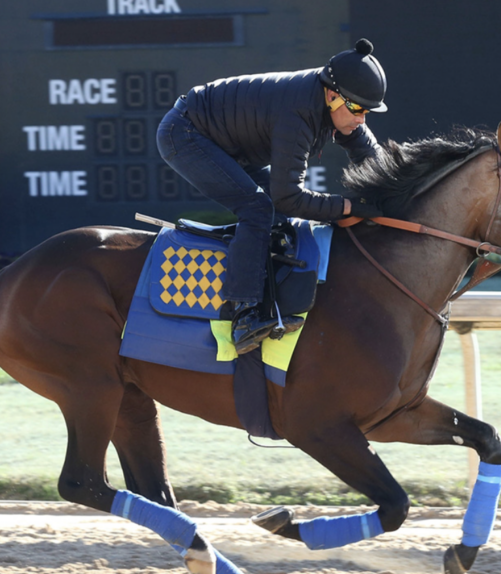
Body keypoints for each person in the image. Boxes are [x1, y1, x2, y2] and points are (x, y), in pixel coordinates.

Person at [156, 38, 388, 355]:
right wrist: (345, 207)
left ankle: (270, 296)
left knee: (275, 217)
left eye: (369, 111)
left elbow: (373, 158)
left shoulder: (333, 100)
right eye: (358, 108)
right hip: (185, 134)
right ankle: (243, 314)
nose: (362, 118)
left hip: (225, 141)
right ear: (333, 96)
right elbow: (288, 198)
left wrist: (393, 192)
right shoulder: (299, 113)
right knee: (259, 209)